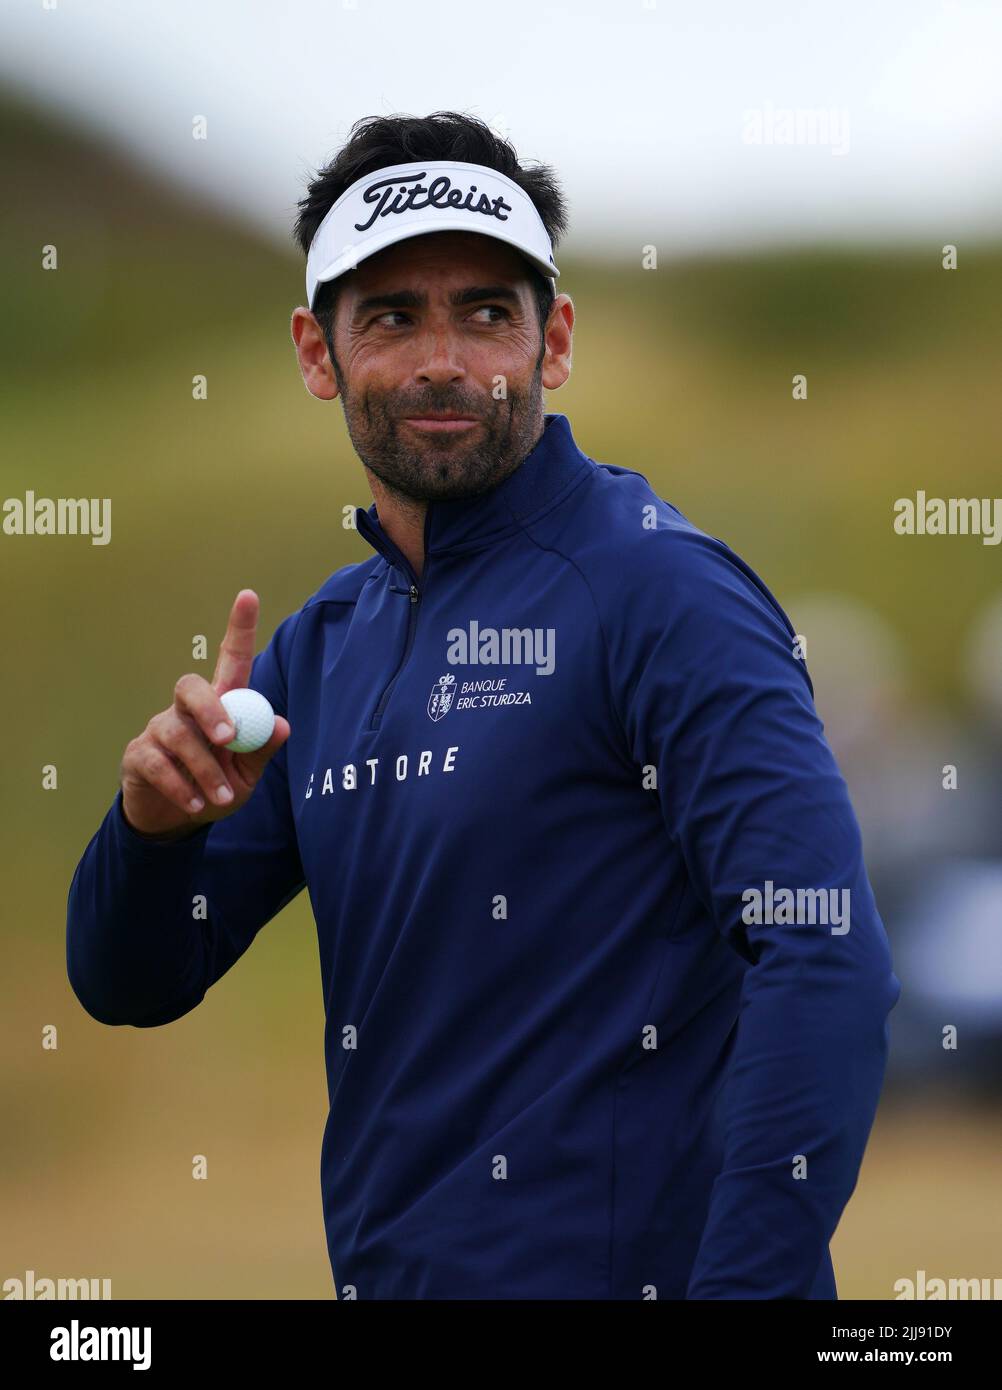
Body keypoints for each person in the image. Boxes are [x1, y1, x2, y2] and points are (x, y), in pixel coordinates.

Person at [66, 111, 900, 1300]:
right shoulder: (320, 646)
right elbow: (129, 983)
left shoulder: (663, 592)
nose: (444, 360)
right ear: (317, 352)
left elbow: (822, 956)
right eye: (392, 317)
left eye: (487, 312)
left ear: (553, 340)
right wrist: (150, 833)